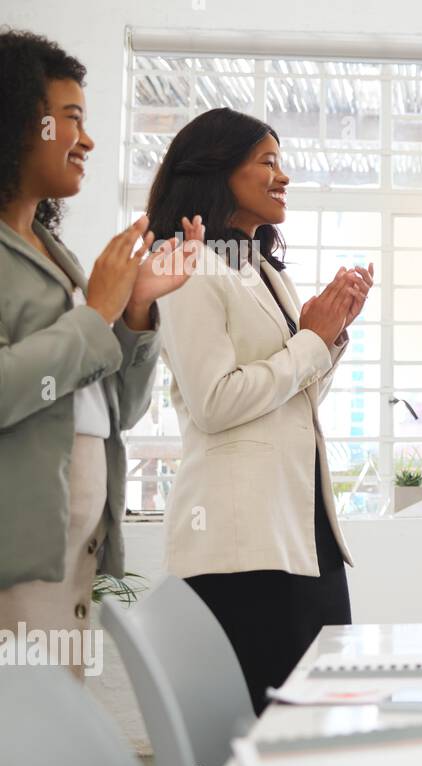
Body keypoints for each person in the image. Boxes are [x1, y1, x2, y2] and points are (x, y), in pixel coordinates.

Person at [148, 107, 371, 712]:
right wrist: (310, 342)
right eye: (267, 162)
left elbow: (295, 400)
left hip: (303, 532)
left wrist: (331, 337)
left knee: (321, 716)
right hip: (240, 546)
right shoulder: (188, 264)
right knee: (265, 728)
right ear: (218, 170)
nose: (284, 176)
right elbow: (214, 401)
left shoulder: (266, 270)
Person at [0, 29, 198, 676]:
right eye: (70, 119)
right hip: (16, 559)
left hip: (75, 550)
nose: (85, 140)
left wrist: (134, 312)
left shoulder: (55, 256)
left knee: (60, 718)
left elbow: (121, 409)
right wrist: (96, 315)